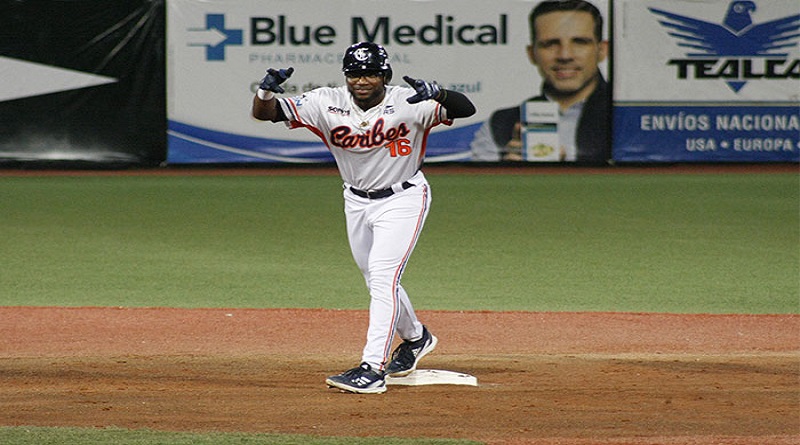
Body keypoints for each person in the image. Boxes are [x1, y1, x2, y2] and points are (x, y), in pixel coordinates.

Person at [251, 42, 476, 394]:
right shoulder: (324, 101)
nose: (362, 80)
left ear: (384, 74)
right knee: (375, 280)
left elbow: (466, 108)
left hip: (403, 197)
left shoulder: (409, 102)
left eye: (370, 72)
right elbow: (267, 113)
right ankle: (416, 338)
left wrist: (442, 94)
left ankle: (373, 367)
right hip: (355, 201)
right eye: (355, 73)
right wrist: (264, 91)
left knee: (384, 278)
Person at [470, 0, 610, 163]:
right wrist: (507, 173)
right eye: (550, 44)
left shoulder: (626, 117)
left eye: (579, 42)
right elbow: (482, 185)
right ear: (532, 53)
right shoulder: (499, 124)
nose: (565, 55)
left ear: (602, 50)